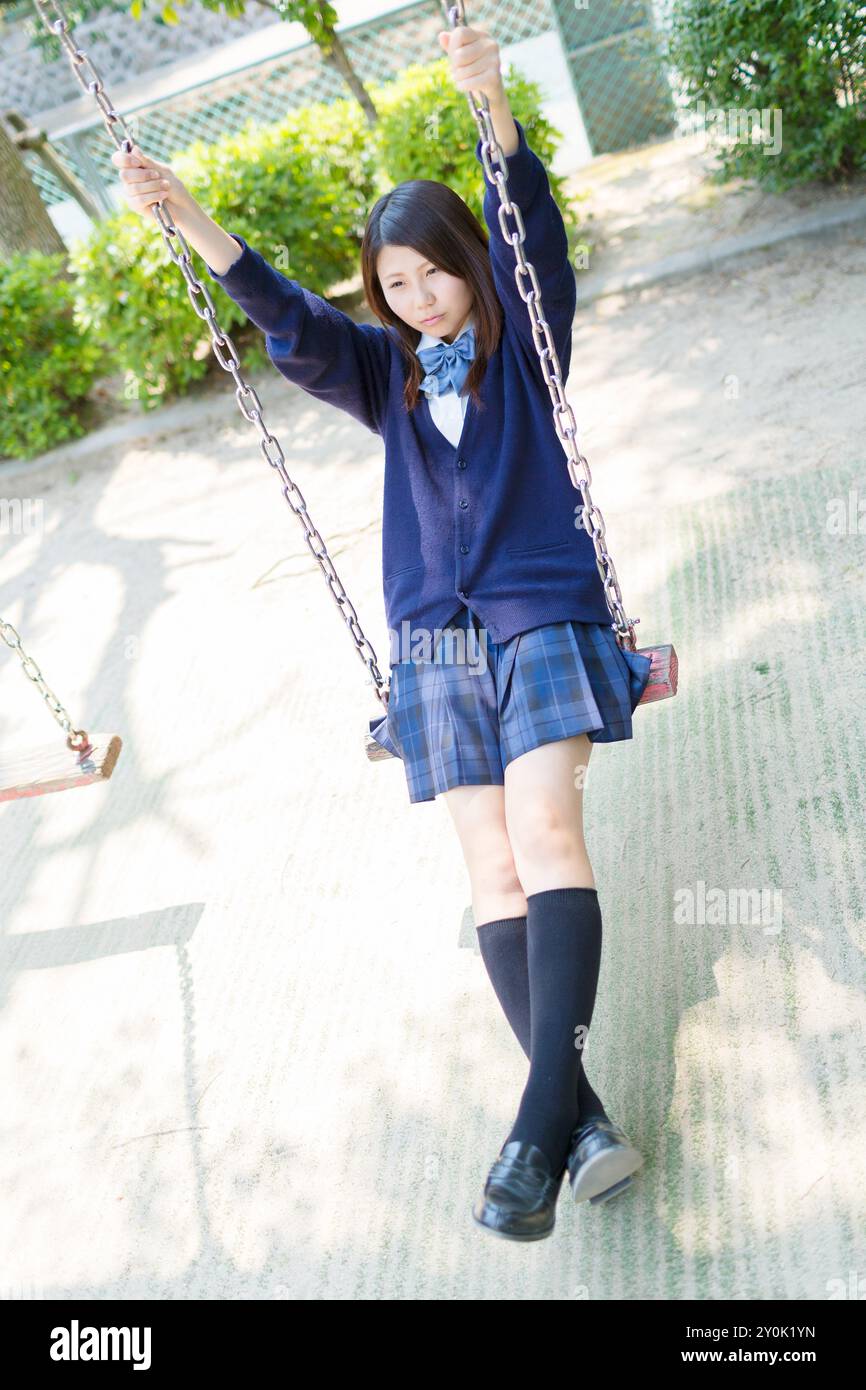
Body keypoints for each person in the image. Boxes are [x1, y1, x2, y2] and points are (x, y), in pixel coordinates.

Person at [111, 23, 651, 1243]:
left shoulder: (525, 346)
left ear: (467, 263)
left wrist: (494, 111)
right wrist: (193, 217)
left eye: (431, 276)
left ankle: (530, 1123)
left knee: (546, 830)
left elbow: (535, 237)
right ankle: (578, 1121)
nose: (415, 300)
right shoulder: (387, 376)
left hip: (541, 614)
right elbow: (286, 317)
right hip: (434, 645)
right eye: (393, 287)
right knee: (490, 871)